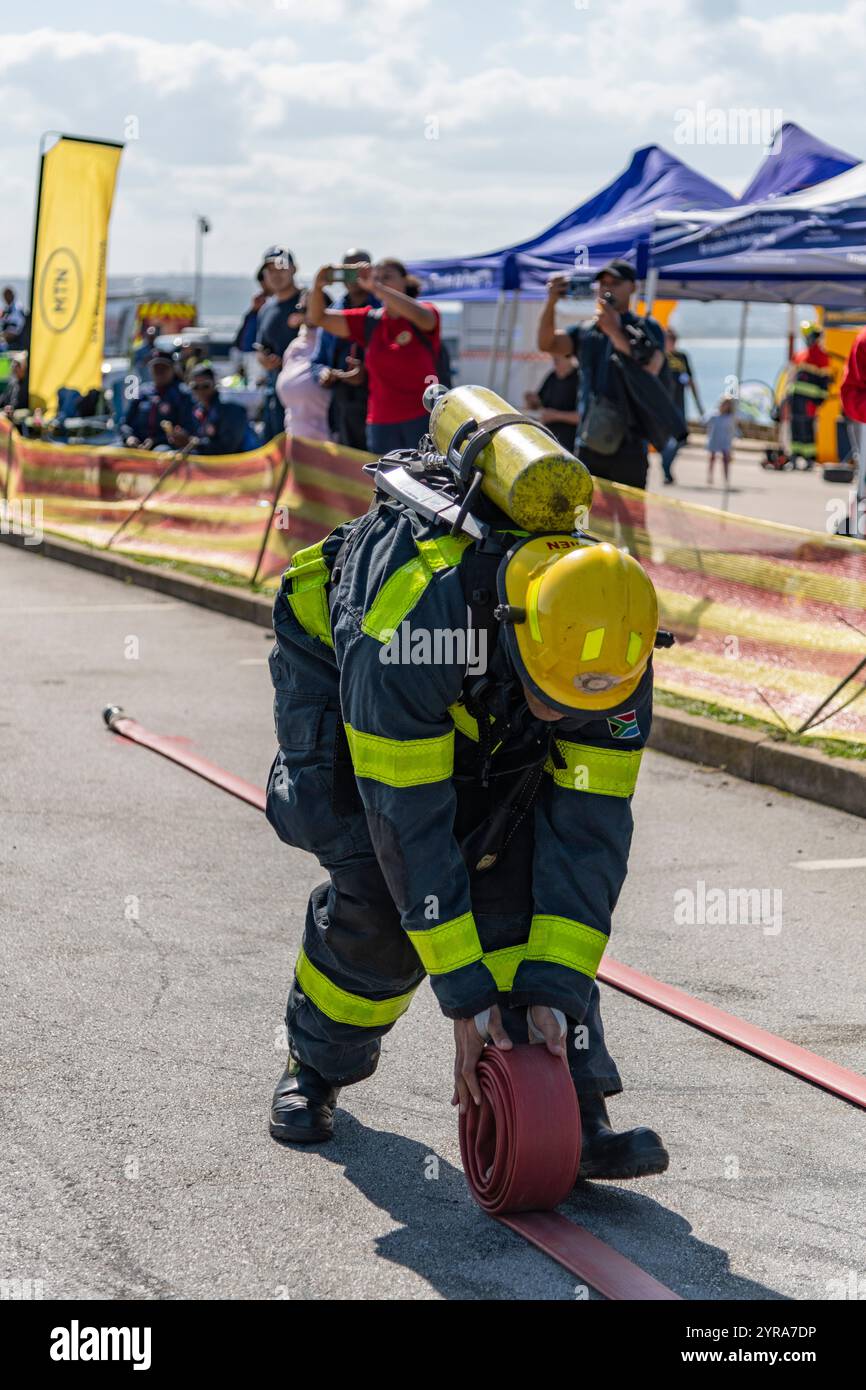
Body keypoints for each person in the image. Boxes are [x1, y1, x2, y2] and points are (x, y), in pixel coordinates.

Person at [265, 424, 669, 1182]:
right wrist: (464, 1000)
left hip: (484, 683)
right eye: (549, 698)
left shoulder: (613, 641)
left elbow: (588, 833)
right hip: (339, 664)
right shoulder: (417, 626)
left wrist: (548, 991)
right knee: (381, 894)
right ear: (518, 633)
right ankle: (315, 1069)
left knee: (518, 875)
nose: (561, 716)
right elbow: (407, 824)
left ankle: (577, 1106)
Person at [538, 260, 666, 490]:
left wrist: (614, 331)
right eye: (602, 283)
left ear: (632, 287)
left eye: (615, 283)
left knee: (631, 525)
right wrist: (551, 303)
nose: (607, 288)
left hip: (631, 445)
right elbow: (547, 343)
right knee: (587, 519)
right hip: (589, 442)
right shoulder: (586, 331)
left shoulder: (647, 328)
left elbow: (649, 370)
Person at [308, 257, 441, 454]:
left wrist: (376, 288)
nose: (379, 281)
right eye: (376, 277)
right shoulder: (370, 321)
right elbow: (320, 317)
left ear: (405, 281)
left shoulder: (426, 312)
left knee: (425, 483)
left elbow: (426, 320)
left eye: (387, 277)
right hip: (381, 424)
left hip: (422, 419)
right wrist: (317, 287)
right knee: (384, 483)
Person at [311, 249, 378, 451]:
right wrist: (323, 373)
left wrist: (366, 374)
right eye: (347, 270)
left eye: (359, 270)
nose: (354, 277)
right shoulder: (332, 311)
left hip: (375, 407)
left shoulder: (384, 310)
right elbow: (317, 360)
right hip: (342, 407)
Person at [255, 247, 305, 443]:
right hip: (274, 393)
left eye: (281, 268)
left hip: (304, 398)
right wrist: (265, 360)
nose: (276, 275)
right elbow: (259, 347)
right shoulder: (266, 309)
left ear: (294, 269)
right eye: (270, 270)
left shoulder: (309, 301)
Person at [275, 301, 331, 443]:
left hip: (328, 442)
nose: (308, 313)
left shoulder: (333, 343)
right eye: (303, 309)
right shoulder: (294, 347)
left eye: (313, 306)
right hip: (295, 441)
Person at [163, 364, 250, 455]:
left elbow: (228, 449)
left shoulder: (229, 408)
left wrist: (192, 442)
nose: (200, 391)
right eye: (195, 387)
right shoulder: (195, 408)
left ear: (215, 384)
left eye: (205, 386)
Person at [120, 350, 194, 449]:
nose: (159, 372)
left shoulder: (182, 394)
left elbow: (187, 428)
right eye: (156, 368)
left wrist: (156, 441)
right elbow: (125, 423)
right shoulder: (142, 392)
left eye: (163, 368)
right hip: (136, 444)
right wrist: (129, 437)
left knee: (162, 451)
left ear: (172, 369)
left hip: (165, 445)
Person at [785, 322, 832, 468]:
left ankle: (809, 458)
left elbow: (825, 382)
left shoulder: (821, 357)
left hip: (809, 402)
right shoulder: (800, 355)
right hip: (795, 400)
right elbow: (792, 378)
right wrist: (787, 397)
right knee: (795, 428)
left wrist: (819, 400)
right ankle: (794, 456)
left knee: (807, 429)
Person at [659, 328, 702, 485]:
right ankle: (666, 470)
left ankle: (666, 466)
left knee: (681, 439)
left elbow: (691, 381)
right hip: (663, 405)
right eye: (668, 339)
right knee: (665, 439)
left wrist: (699, 406)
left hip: (679, 405)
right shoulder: (660, 357)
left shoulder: (682, 357)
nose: (671, 343)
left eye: (673, 339)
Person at [524, 353, 580, 453]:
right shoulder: (552, 376)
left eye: (558, 352)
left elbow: (582, 417)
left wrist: (556, 416)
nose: (554, 357)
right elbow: (539, 404)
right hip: (547, 441)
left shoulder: (579, 379)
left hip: (569, 447)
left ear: (569, 357)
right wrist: (532, 401)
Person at [706, 396, 738, 486]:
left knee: (726, 460)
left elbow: (733, 430)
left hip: (725, 441)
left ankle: (726, 478)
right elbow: (707, 425)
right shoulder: (714, 415)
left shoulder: (730, 417)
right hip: (714, 439)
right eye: (724, 404)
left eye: (727, 405)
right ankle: (710, 476)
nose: (725, 406)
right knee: (712, 458)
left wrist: (735, 440)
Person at [0, 352, 28, 416]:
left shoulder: (29, 383)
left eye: (17, 365)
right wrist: (8, 407)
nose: (14, 367)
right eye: (13, 365)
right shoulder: (12, 383)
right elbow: (4, 400)